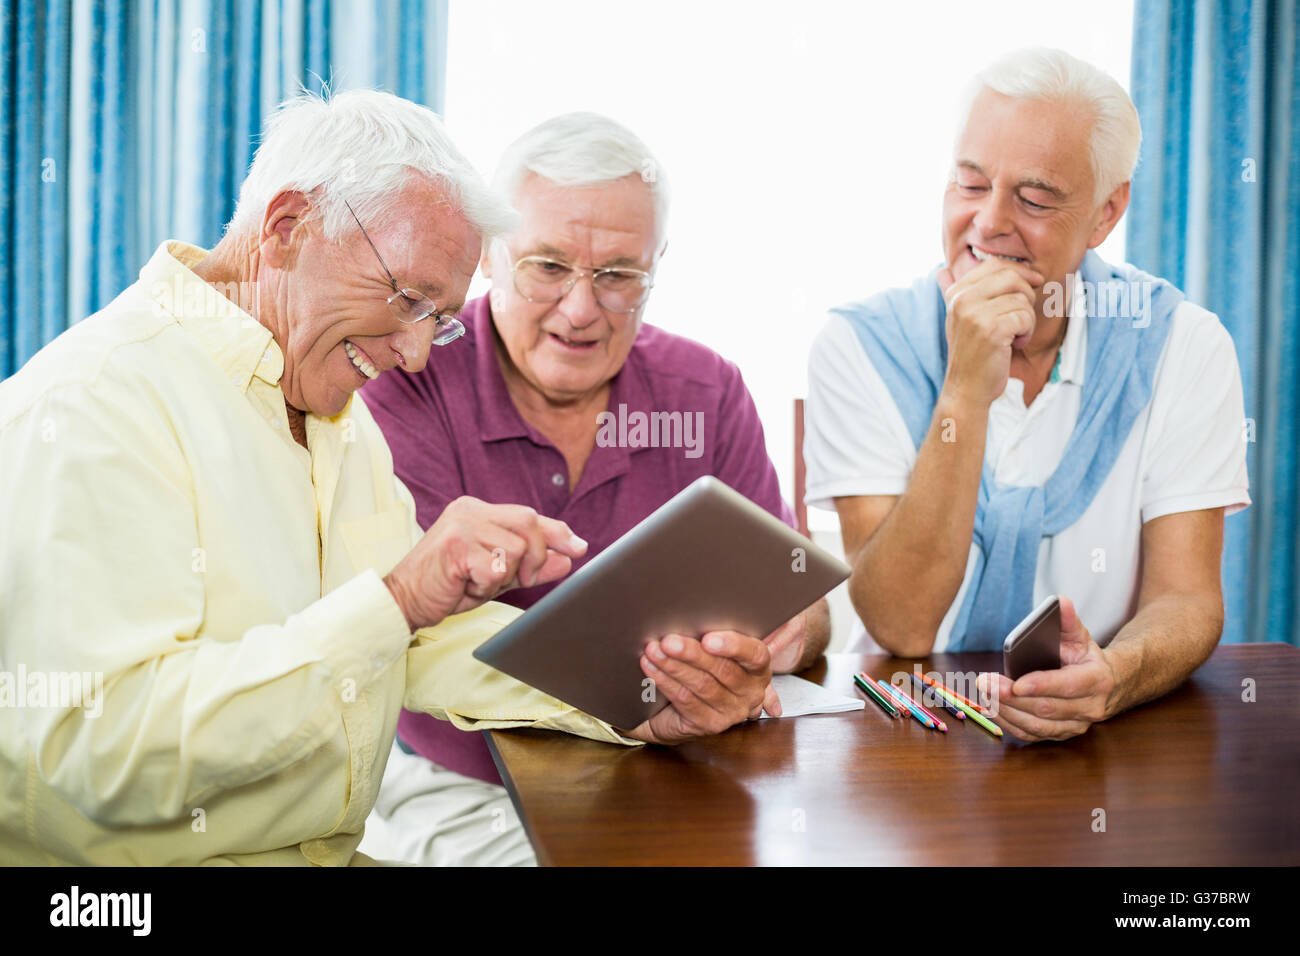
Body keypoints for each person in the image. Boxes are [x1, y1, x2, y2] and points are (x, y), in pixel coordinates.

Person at [0, 90, 772, 865]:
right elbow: (107, 752)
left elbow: (419, 641)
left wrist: (636, 698)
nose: (414, 354)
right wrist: (398, 601)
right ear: (288, 229)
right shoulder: (94, 404)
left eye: (437, 317)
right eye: (407, 299)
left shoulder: (326, 401)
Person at [359, 112, 830, 865]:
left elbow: (804, 599)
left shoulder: (706, 390)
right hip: (464, 783)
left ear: (657, 266)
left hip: (680, 769)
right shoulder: (406, 384)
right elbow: (401, 635)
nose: (581, 311)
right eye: (547, 266)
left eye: (618, 275)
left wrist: (775, 642)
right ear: (490, 256)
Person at [804, 48, 1249, 743]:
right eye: (970, 184)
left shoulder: (1183, 346)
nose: (987, 224)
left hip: (1101, 742)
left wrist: (1114, 676)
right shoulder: (857, 345)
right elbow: (901, 622)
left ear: (1106, 213)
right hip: (900, 744)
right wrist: (963, 395)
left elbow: (1186, 596)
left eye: (1035, 200)